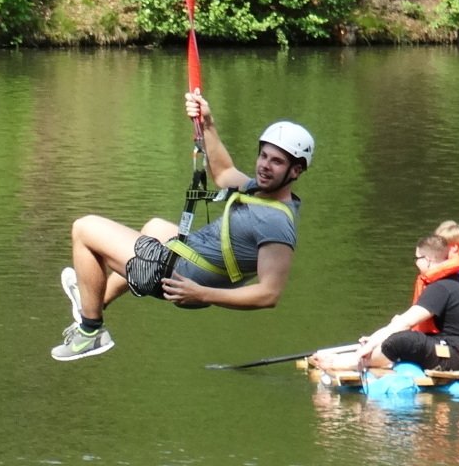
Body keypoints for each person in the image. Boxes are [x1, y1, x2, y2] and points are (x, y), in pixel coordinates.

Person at [52, 90, 313, 361]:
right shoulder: (258, 190)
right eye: (264, 156)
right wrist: (207, 122)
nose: (265, 166)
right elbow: (223, 173)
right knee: (154, 227)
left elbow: (268, 294)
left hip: (183, 278)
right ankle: (94, 299)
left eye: (277, 161)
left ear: (296, 170)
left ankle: (90, 332)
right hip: (190, 260)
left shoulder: (277, 225)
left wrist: (202, 293)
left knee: (84, 228)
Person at [313, 235, 459, 375]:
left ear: (427, 260)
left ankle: (344, 363)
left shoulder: (441, 287)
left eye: (417, 259)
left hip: (452, 354)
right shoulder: (455, 282)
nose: (416, 264)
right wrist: (374, 339)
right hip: (453, 348)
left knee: (402, 340)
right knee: (397, 334)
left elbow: (406, 323)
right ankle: (373, 356)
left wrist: (370, 345)